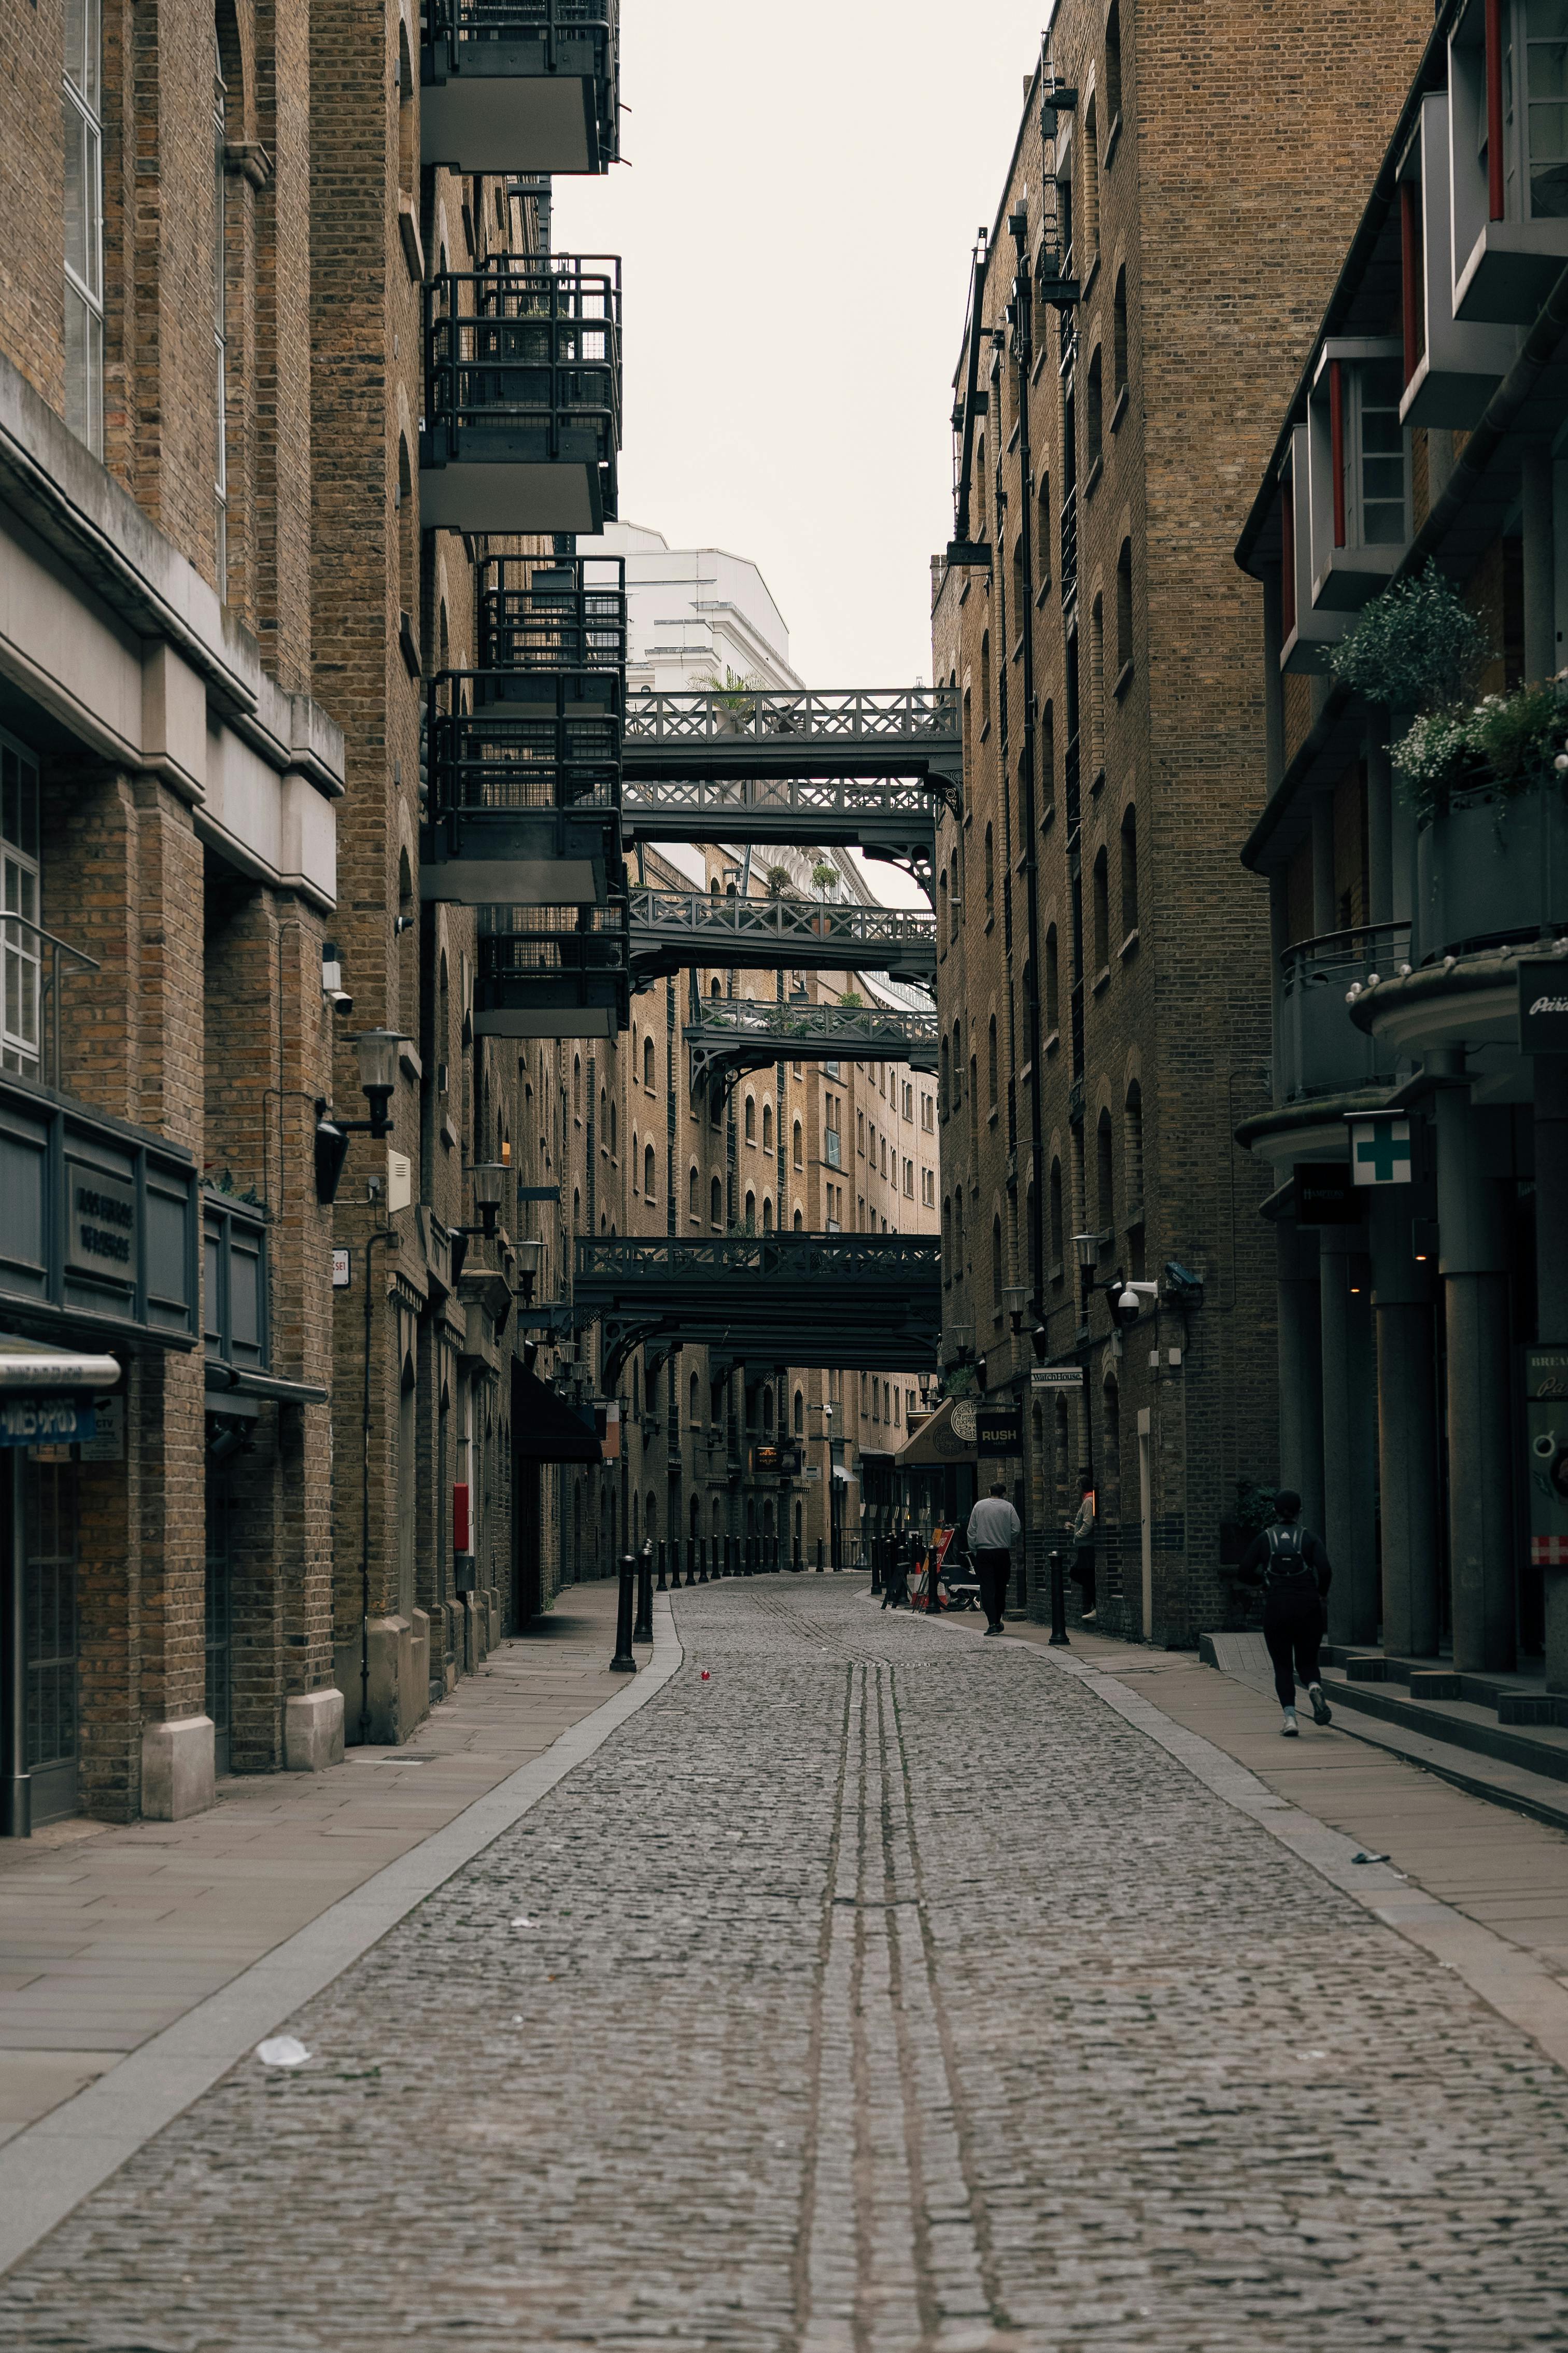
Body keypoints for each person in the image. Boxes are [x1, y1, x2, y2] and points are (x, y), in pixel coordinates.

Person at [1235, 1489, 1334, 1736]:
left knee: (1282, 1666)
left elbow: (1244, 1571)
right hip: (1308, 1607)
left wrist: (1263, 1582)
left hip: (1277, 1607)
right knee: (1308, 1661)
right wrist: (1321, 1593)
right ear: (1301, 1511)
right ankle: (1313, 1685)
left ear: (1274, 1511)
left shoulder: (1265, 1539)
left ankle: (1290, 1719)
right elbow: (1325, 1570)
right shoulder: (1309, 1538)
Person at [966, 1482, 1021, 1635]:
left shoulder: (979, 1506)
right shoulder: (1008, 1507)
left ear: (990, 1492)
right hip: (1002, 1552)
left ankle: (992, 1623)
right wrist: (1007, 1540)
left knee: (987, 1588)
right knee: (1001, 1587)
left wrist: (974, 1550)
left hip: (983, 1552)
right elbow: (1016, 1528)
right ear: (1004, 1494)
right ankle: (998, 1618)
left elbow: (972, 1531)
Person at [1066, 1476, 1097, 1622]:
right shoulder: (1088, 1500)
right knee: (1085, 1574)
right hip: (1085, 1545)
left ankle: (1096, 1605)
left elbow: (1088, 1523)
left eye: (1077, 1486)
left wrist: (1077, 1535)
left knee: (1079, 1573)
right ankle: (1095, 1605)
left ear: (1081, 1487)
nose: (1075, 1489)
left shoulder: (1088, 1501)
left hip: (1086, 1545)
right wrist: (1074, 1528)